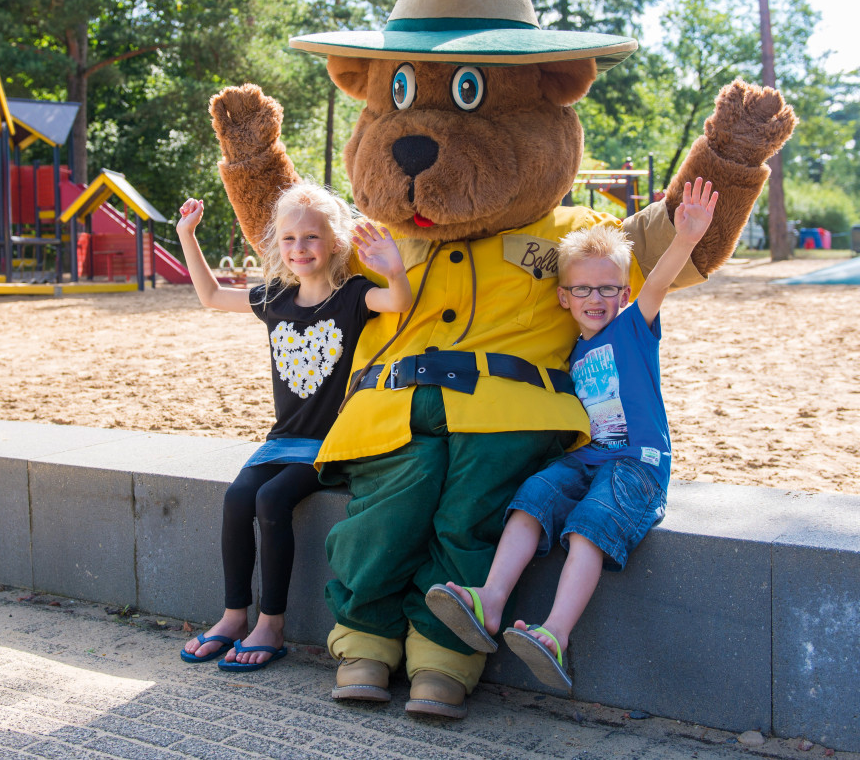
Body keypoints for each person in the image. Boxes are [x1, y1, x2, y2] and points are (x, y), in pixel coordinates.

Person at [426, 177, 718, 692]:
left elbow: (659, 282)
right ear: (564, 297)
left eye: (608, 288)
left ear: (623, 294)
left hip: (636, 466)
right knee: (532, 495)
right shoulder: (572, 353)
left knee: (589, 524)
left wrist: (687, 238)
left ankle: (554, 634)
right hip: (588, 460)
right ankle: (490, 601)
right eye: (582, 289)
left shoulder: (632, 327)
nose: (596, 298)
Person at [176, 180, 412, 671]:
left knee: (271, 499)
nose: (299, 248)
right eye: (288, 239)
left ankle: (272, 624)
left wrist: (393, 270)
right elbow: (212, 296)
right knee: (238, 498)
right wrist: (187, 235)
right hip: (282, 440)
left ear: (335, 243)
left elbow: (398, 303)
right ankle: (233, 615)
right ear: (276, 245)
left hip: (333, 442)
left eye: (311, 238)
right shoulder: (276, 298)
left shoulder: (352, 297)